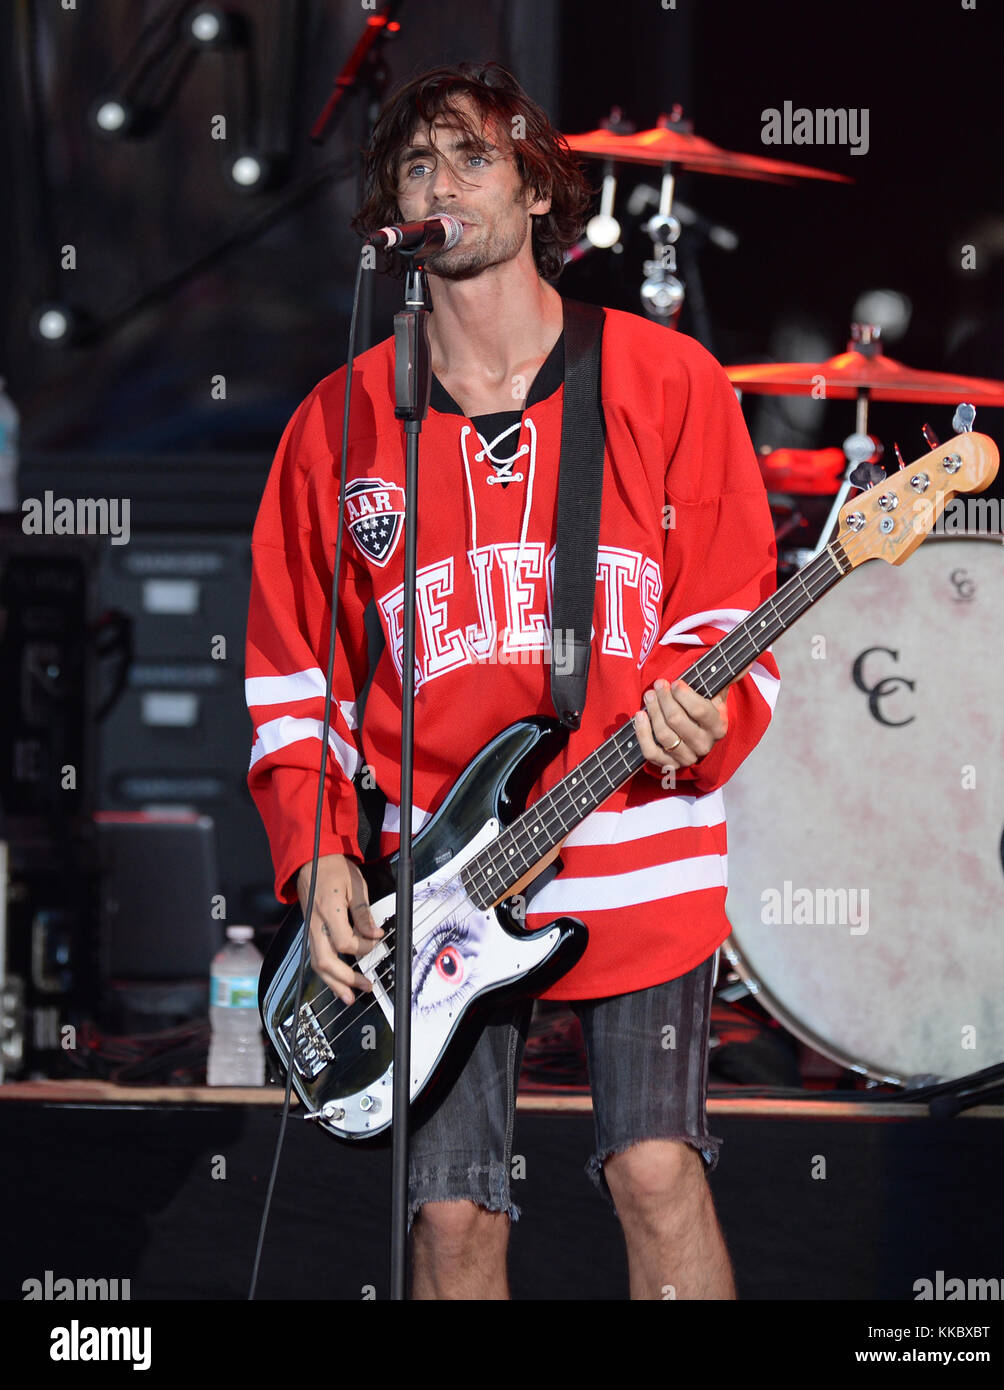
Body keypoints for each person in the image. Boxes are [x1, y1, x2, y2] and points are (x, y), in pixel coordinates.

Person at [245, 61, 779, 1300]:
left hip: (634, 836)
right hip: (432, 878)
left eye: (472, 157)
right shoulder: (339, 420)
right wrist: (321, 847)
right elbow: (295, 676)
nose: (440, 183)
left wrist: (698, 718)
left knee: (652, 1168)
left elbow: (726, 606)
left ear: (540, 189)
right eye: (415, 165)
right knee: (449, 1220)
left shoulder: (664, 380)